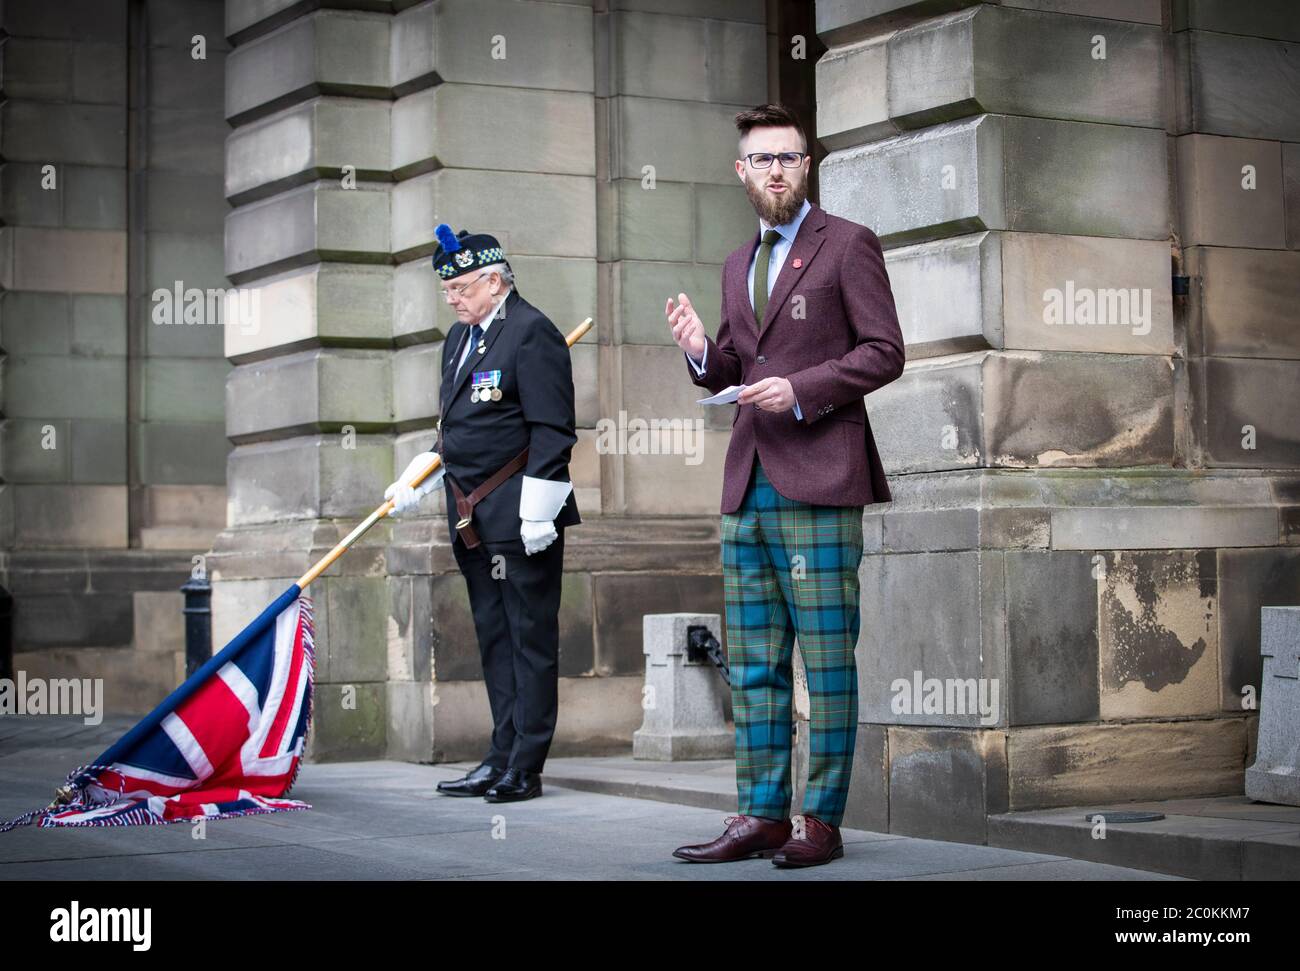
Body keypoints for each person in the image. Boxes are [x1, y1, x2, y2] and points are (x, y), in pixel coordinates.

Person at [665, 104, 905, 867]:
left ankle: (821, 823)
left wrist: (801, 389)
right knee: (756, 662)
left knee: (826, 662)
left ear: (808, 166)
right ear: (741, 171)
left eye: (790, 158)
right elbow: (737, 367)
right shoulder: (738, 264)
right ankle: (761, 813)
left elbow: (884, 352)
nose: (776, 170)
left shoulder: (849, 246)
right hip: (749, 484)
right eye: (762, 159)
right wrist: (704, 353)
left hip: (822, 479)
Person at [385, 224, 579, 803]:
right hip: (472, 517)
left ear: (494, 281)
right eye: (447, 289)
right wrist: (418, 475)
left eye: (462, 288)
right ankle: (499, 754)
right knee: (495, 639)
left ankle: (527, 764)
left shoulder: (531, 332)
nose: (453, 298)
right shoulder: (458, 338)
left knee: (529, 640)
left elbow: (552, 430)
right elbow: (454, 429)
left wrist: (541, 510)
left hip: (523, 519)